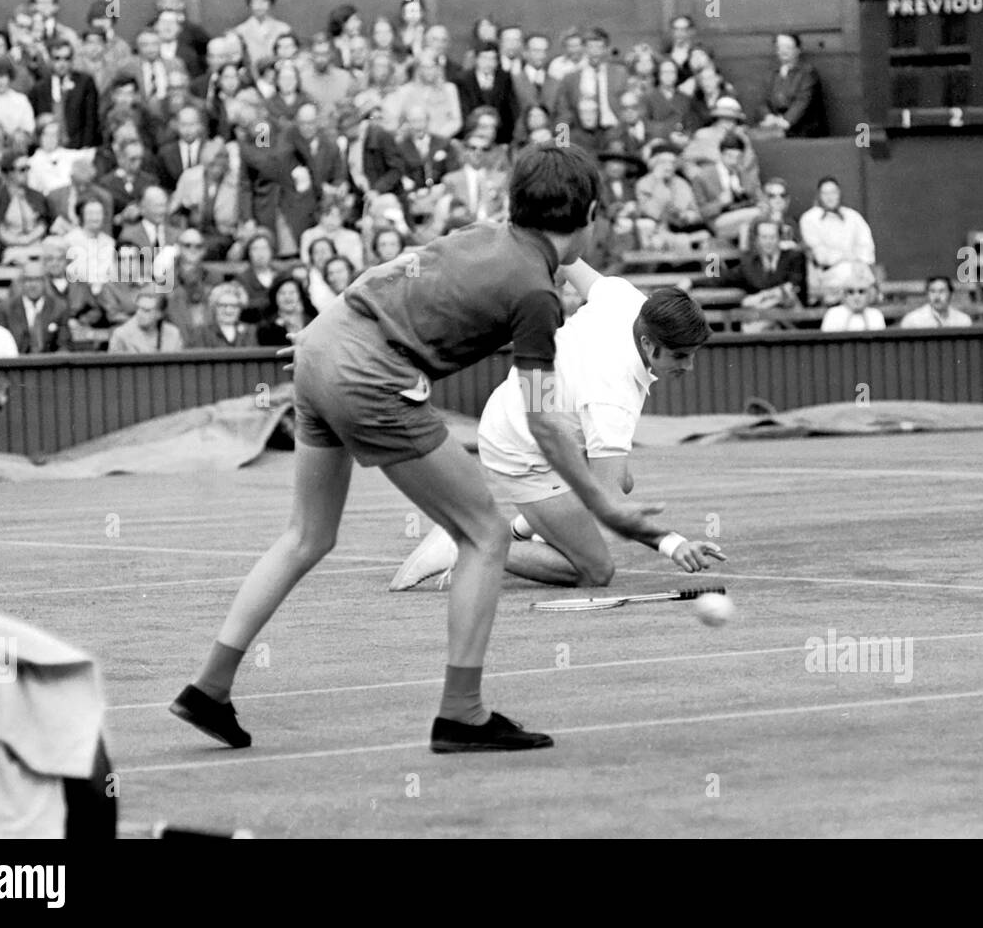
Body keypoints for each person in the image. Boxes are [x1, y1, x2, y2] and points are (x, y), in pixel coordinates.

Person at [170, 144, 666, 755]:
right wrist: (607, 506)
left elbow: (396, 268)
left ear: (514, 205)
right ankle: (462, 714)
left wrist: (326, 333)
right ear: (590, 215)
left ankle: (209, 686)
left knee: (307, 535)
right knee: (485, 533)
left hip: (324, 344)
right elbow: (543, 419)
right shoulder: (537, 297)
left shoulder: (483, 233)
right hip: (370, 377)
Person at [392, 261, 724, 591]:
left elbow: (565, 259)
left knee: (620, 478)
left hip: (522, 407)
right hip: (519, 447)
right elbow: (608, 508)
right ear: (650, 345)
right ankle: (466, 540)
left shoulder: (626, 299)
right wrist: (672, 543)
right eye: (680, 356)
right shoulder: (613, 398)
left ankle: (528, 528)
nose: (690, 366)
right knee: (594, 569)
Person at [800, 176, 876, 306]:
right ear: (819, 196)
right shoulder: (809, 219)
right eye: (825, 193)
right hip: (827, 274)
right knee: (848, 273)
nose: (830, 197)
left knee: (866, 279)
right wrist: (849, 258)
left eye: (833, 192)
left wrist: (860, 262)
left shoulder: (853, 216)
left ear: (839, 194)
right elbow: (821, 256)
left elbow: (866, 246)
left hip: (859, 270)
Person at [0, 146, 49, 263]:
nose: (27, 173)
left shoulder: (37, 195)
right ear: (9, 173)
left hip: (36, 244)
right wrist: (19, 241)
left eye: (28, 168)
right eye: (22, 169)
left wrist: (30, 238)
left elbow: (43, 223)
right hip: (10, 247)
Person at [756, 32, 827, 137]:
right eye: (780, 47)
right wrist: (768, 117)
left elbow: (803, 101)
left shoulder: (807, 73)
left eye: (788, 47)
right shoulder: (772, 73)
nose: (783, 50)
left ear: (798, 50)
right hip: (775, 127)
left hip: (802, 130)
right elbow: (762, 101)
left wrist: (785, 121)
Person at [0, 258, 70, 353]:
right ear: (21, 282)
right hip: (15, 363)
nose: (33, 284)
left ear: (45, 282)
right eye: (28, 279)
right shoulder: (6, 308)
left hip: (50, 364)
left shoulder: (59, 307)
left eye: (38, 279)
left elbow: (64, 345)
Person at [108, 290, 183, 353]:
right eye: (138, 308)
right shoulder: (121, 335)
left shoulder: (173, 334)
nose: (139, 314)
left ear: (160, 314)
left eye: (146, 310)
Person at [255, 272, 317, 346]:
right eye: (282, 293)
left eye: (292, 292)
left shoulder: (312, 320)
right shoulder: (266, 327)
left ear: (300, 295)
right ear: (275, 297)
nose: (287, 297)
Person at [820, 266, 885, 332]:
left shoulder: (876, 315)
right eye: (851, 292)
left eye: (861, 291)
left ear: (869, 294)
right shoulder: (833, 315)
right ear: (844, 295)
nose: (856, 297)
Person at [195, 281, 258, 348]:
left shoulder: (249, 331)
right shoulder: (203, 332)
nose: (228, 310)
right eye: (223, 305)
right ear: (214, 307)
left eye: (234, 306)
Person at [900, 276, 973, 328]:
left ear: (951, 294)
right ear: (927, 294)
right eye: (932, 291)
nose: (937, 296)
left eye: (942, 291)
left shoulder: (963, 321)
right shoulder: (912, 321)